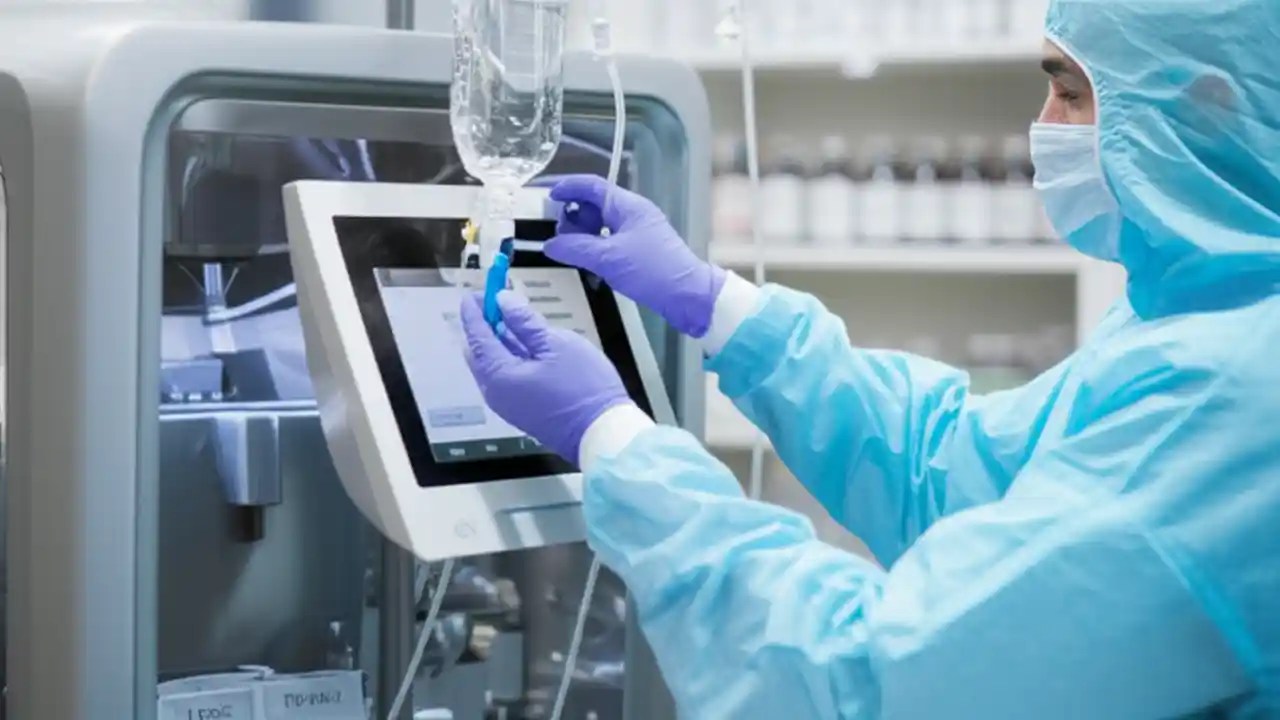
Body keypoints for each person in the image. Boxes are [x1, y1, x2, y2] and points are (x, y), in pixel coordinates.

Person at [460, 0, 1279, 716]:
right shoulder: (1206, 314)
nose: (1044, 126)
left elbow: (872, 680)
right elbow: (952, 470)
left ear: (1210, 102)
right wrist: (718, 307)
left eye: (1070, 91)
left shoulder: (1237, 399)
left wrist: (614, 440)